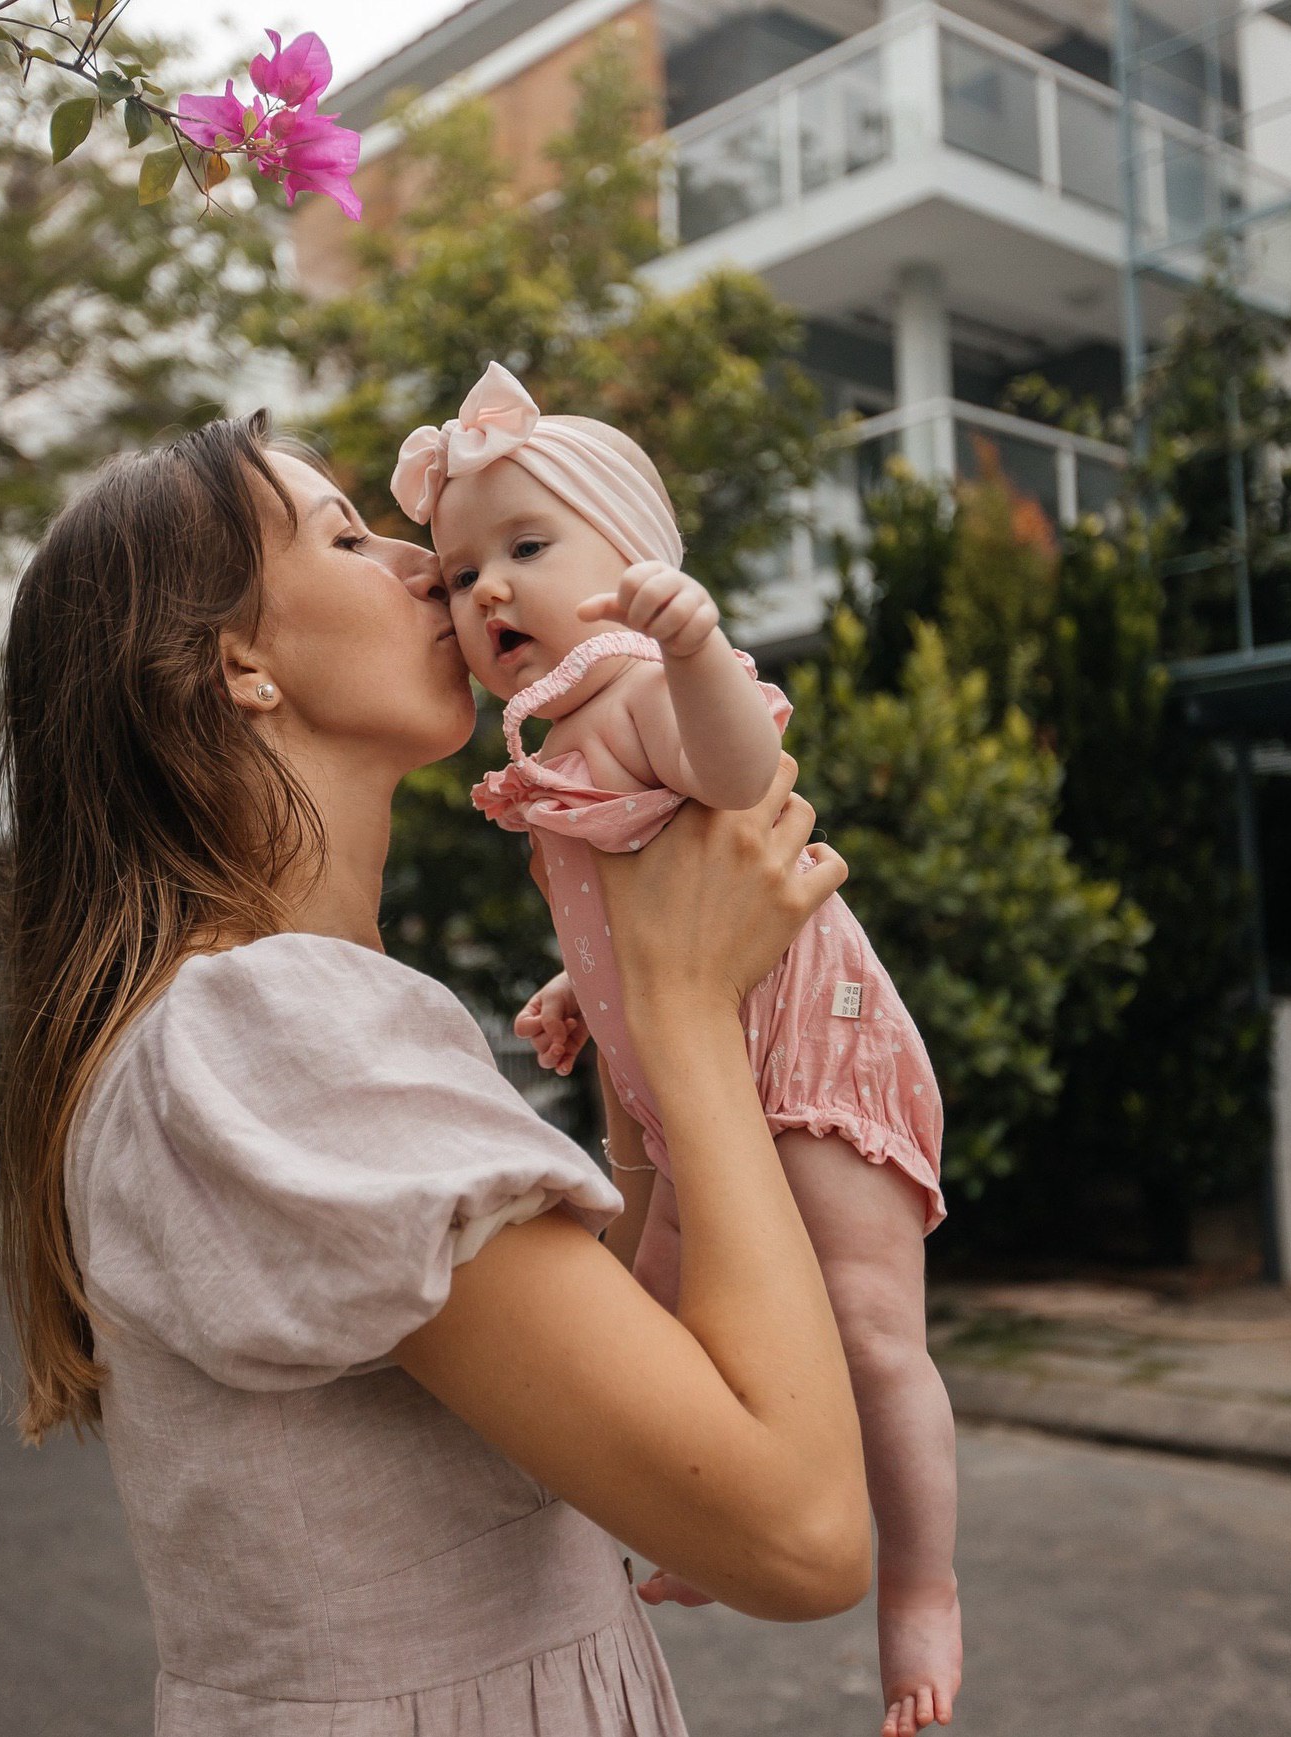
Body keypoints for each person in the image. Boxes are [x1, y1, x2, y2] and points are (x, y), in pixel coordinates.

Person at [0, 410, 874, 1737]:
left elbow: (640, 1374)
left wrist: (645, 1017)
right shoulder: (277, 1026)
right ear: (240, 663)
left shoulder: (229, 1019)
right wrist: (686, 1011)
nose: (423, 565)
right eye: (346, 534)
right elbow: (800, 1534)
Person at [392, 363, 961, 1736]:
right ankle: (716, 1510)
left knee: (873, 1328)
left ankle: (923, 1590)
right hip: (681, 1062)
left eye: (529, 548)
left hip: (800, 1045)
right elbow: (627, 891)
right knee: (666, 1324)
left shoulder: (641, 675)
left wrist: (698, 643)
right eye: (463, 574)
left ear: (635, 561)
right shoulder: (550, 754)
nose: (489, 594)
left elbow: (737, 782)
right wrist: (574, 988)